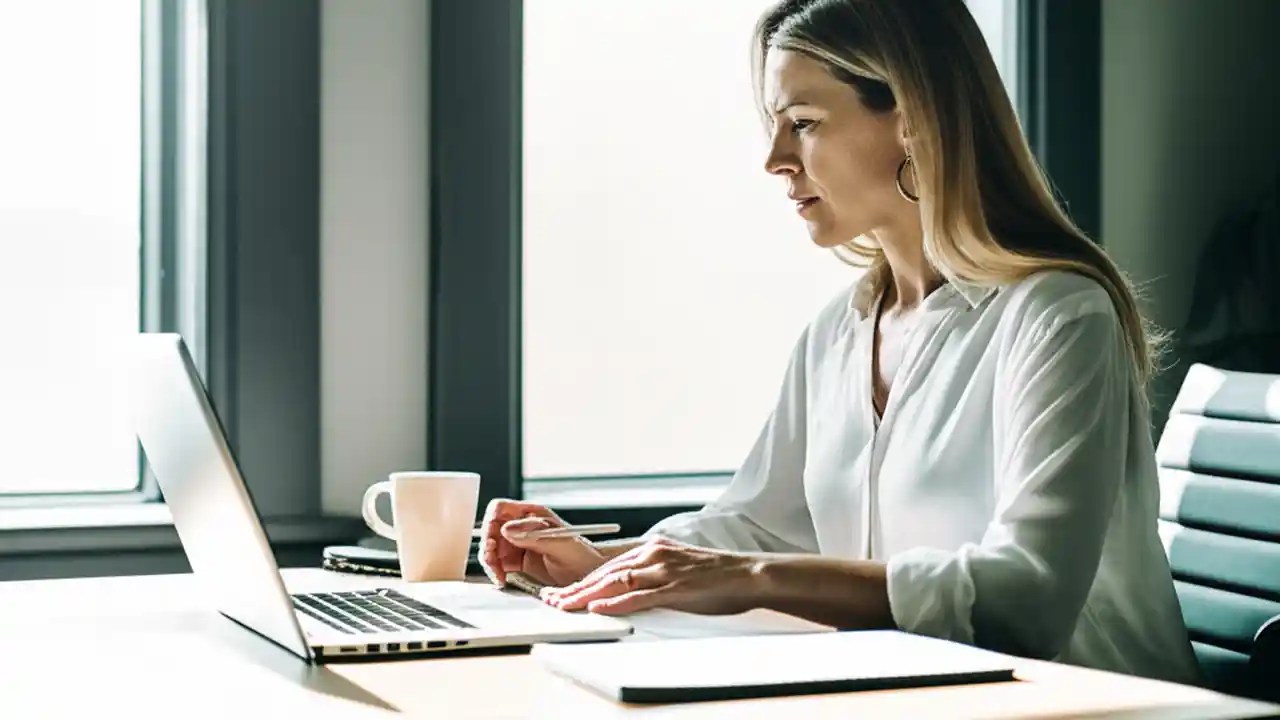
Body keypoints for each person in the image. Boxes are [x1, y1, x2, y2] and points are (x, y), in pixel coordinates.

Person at [480, 0, 1201, 684]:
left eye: (804, 122)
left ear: (913, 117)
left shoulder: (1058, 317)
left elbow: (1026, 599)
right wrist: (600, 561)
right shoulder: (840, 330)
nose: (774, 158)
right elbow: (759, 523)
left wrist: (746, 581)